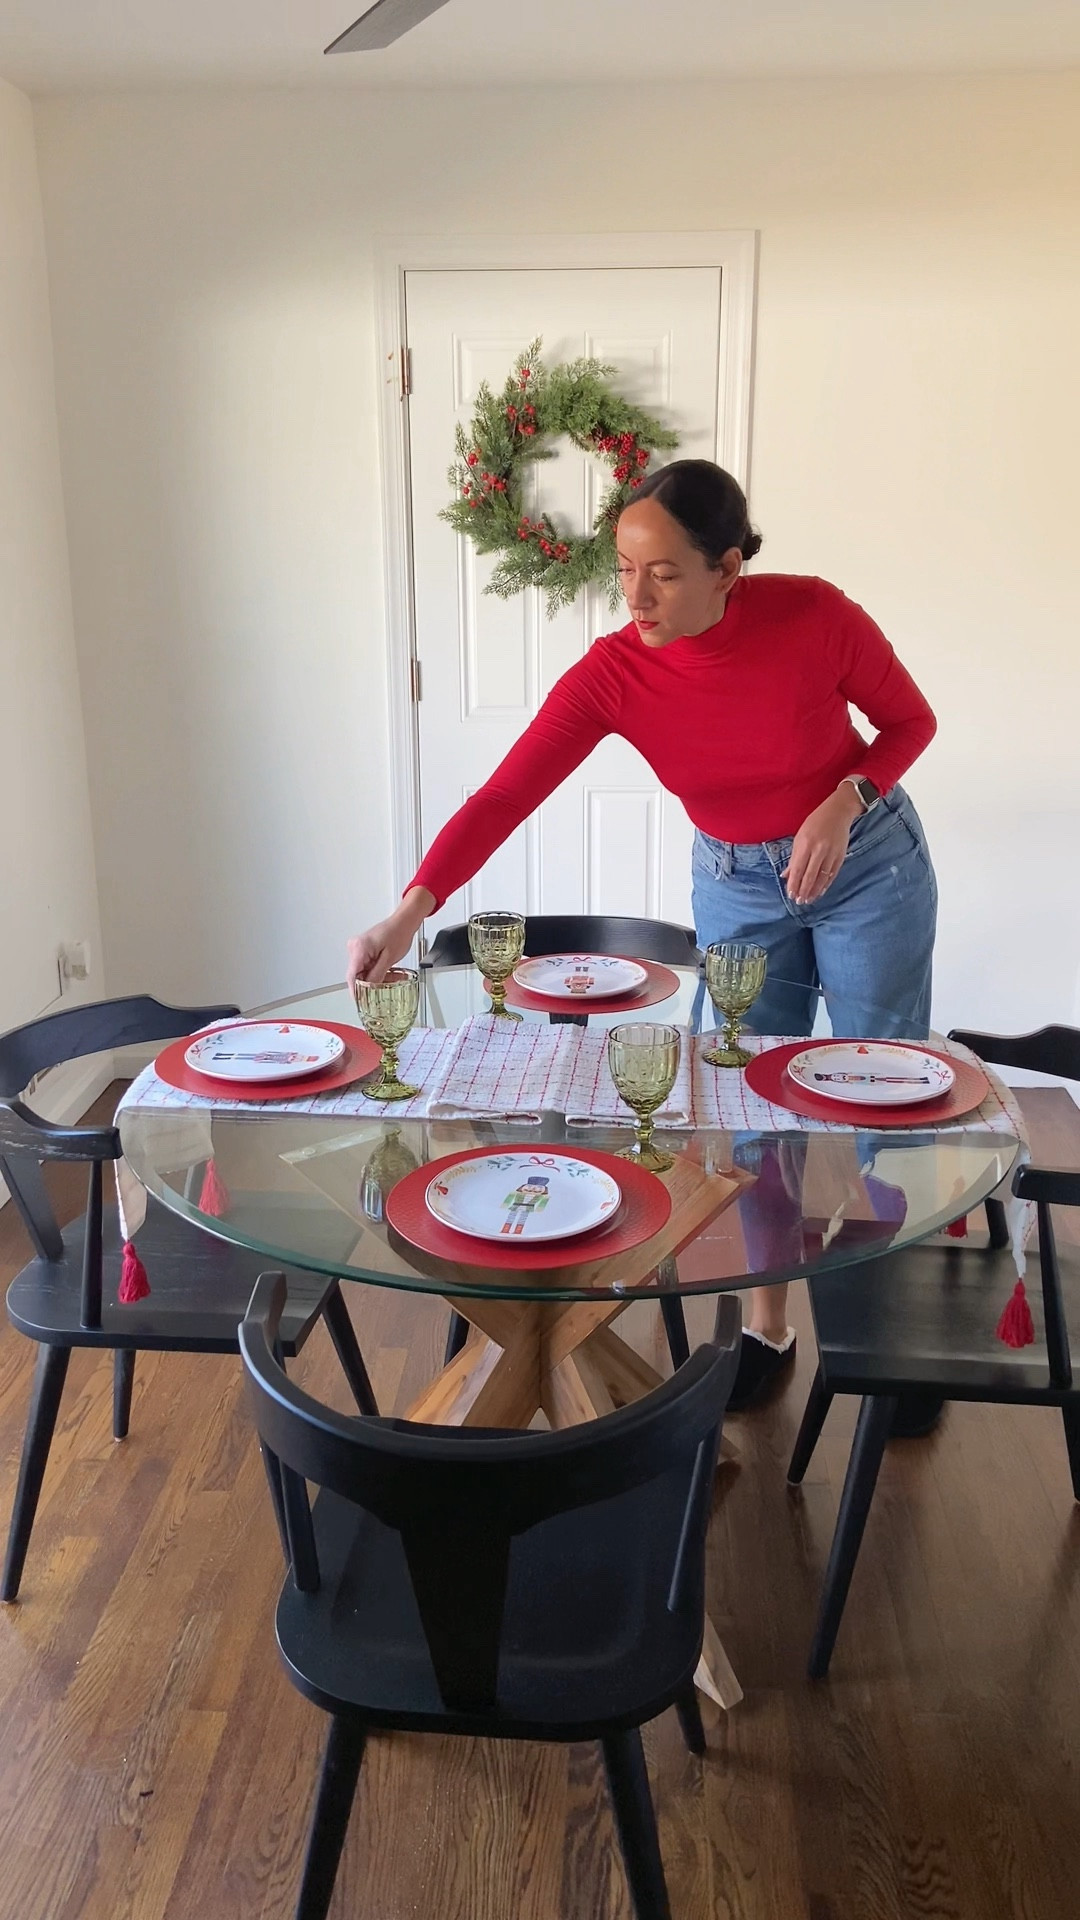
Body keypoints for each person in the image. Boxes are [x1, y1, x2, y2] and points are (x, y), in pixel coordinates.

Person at [347, 459, 938, 1410]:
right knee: (748, 1105)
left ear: (728, 568)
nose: (635, 594)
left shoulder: (816, 615)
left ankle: (904, 1333)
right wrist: (412, 906)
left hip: (867, 862)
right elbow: (505, 795)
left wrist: (844, 798)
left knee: (883, 1095)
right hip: (738, 881)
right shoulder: (617, 672)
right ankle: (770, 1327)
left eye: (662, 571)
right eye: (623, 567)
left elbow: (910, 720)